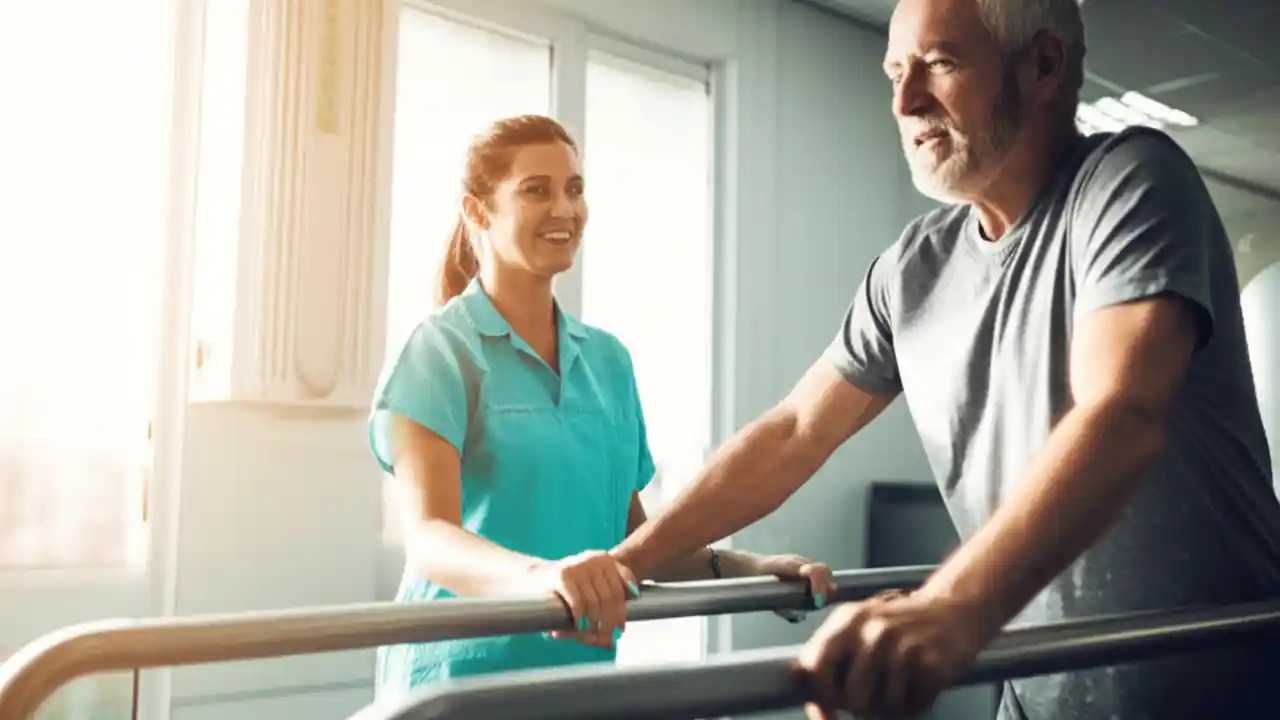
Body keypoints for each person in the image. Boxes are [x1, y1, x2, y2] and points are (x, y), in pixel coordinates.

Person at [611, 0, 1280, 717]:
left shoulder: (1129, 183)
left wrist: (953, 607)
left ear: (1043, 65)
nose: (905, 101)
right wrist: (627, 564)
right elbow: (797, 430)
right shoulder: (912, 270)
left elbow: (1120, 410)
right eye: (896, 72)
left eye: (940, 63)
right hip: (1039, 693)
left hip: (1217, 684)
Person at [368, 114, 834, 696]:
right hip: (454, 682)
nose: (564, 208)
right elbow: (431, 535)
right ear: (477, 212)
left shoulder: (608, 362)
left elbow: (635, 542)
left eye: (575, 188)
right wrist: (546, 576)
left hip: (577, 680)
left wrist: (747, 569)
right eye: (536, 190)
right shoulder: (438, 349)